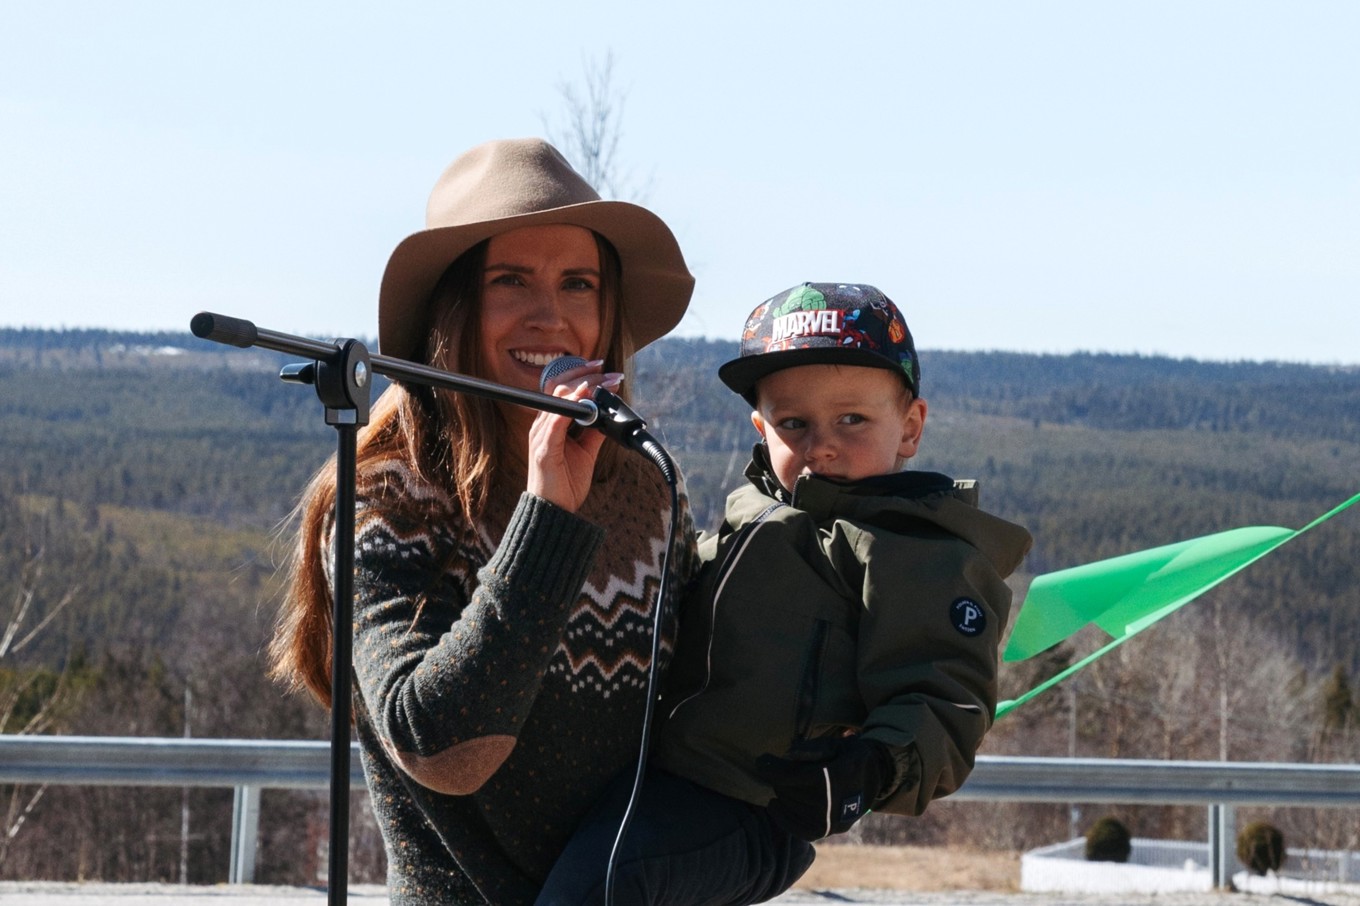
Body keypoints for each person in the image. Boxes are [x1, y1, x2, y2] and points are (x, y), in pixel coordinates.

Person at [269, 137, 698, 904]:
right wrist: (547, 520)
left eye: (579, 284)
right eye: (511, 282)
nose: (551, 316)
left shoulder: (651, 493)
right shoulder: (384, 497)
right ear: (452, 308)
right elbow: (442, 749)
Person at [541, 282, 1032, 904]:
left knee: (602, 887)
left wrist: (868, 770)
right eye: (793, 423)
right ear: (760, 427)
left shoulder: (919, 554)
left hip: (755, 807)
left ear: (910, 427)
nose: (820, 443)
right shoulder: (751, 518)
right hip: (654, 780)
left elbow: (944, 697)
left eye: (852, 419)